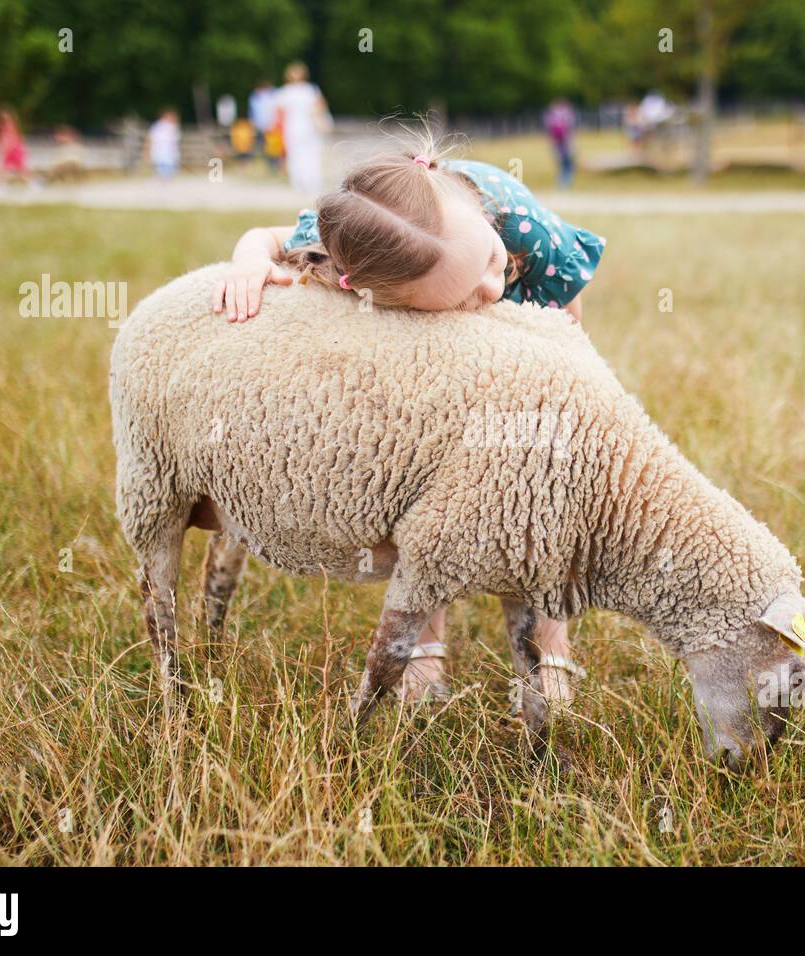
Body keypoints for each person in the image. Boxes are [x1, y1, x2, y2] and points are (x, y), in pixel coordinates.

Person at [209, 135, 607, 706]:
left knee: (540, 490)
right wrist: (248, 263)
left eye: (488, 265)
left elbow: (568, 323)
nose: (489, 289)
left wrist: (565, 390)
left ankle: (551, 645)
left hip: (530, 332)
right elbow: (267, 238)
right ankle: (424, 642)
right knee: (432, 482)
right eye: (467, 293)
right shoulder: (350, 237)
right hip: (443, 357)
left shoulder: (516, 226)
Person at [274, 62, 331, 194]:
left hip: (308, 127)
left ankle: (312, 182)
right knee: (296, 155)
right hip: (294, 128)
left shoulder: (308, 89)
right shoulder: (287, 91)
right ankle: (300, 183)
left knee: (310, 155)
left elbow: (321, 105)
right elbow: (278, 112)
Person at [0, 106, 32, 192]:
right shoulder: (4, 127)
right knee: (3, 170)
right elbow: (3, 139)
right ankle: (1, 188)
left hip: (14, 151)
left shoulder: (10, 126)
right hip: (11, 151)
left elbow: (12, 140)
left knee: (21, 171)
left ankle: (33, 185)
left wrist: (6, 149)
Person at [544, 98, 577, 189]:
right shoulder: (567, 113)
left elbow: (549, 129)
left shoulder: (552, 114)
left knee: (562, 163)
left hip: (557, 142)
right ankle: (566, 182)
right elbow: (570, 128)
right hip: (566, 142)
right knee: (568, 163)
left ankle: (561, 183)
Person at [248, 79, 278, 169]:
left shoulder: (272, 95)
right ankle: (269, 164)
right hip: (261, 126)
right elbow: (253, 113)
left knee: (273, 146)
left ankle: (274, 164)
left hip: (271, 125)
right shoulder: (255, 98)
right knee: (263, 146)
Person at [147, 108, 180, 180]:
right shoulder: (159, 126)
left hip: (169, 155)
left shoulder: (172, 127)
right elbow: (151, 140)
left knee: (168, 175)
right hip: (161, 154)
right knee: (163, 175)